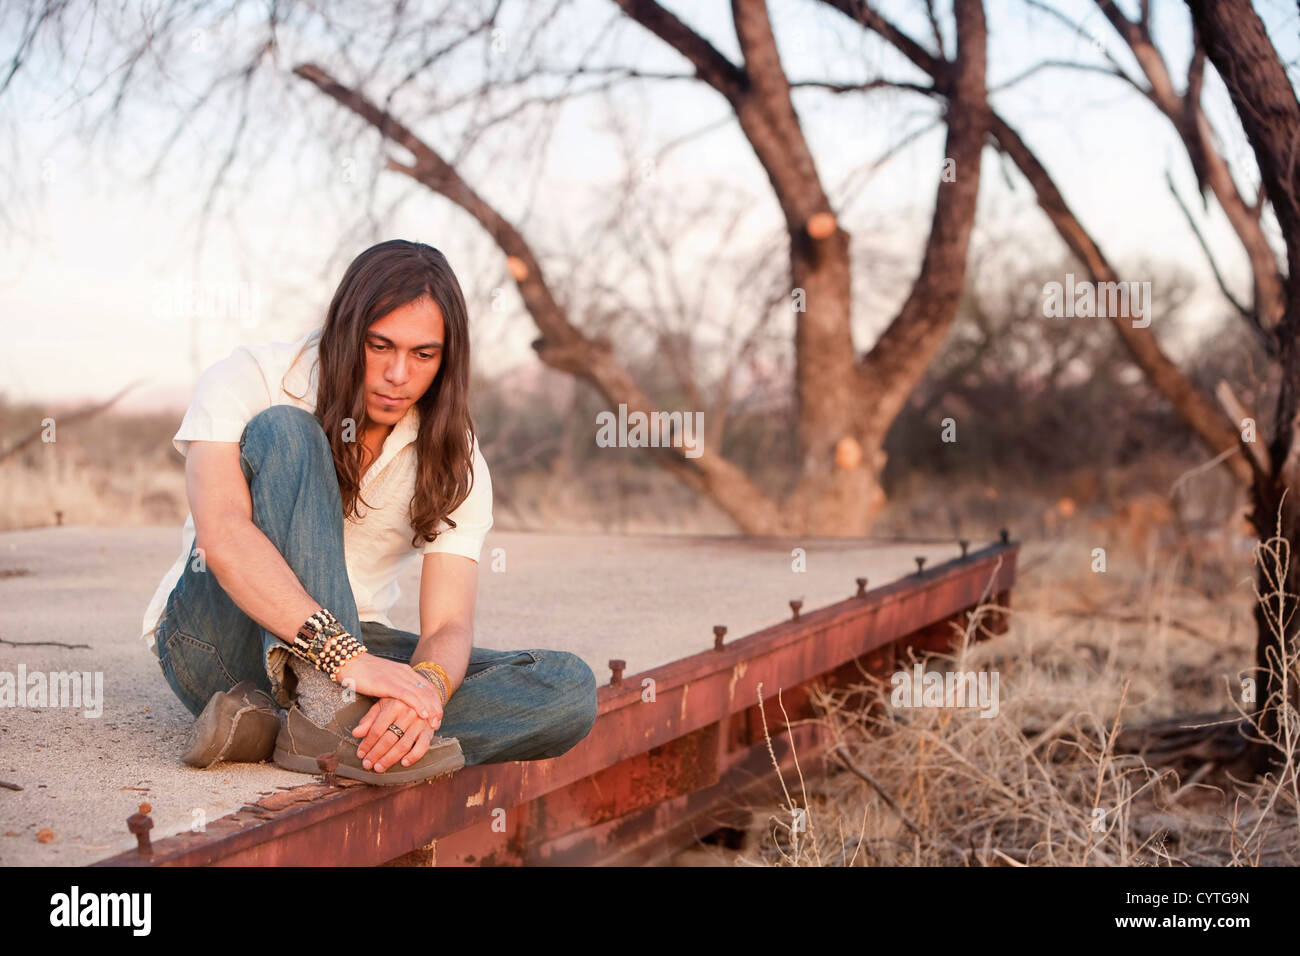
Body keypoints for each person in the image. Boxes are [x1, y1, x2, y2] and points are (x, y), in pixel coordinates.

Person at [141, 239, 598, 785]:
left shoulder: (456, 455)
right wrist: (345, 662)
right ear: (344, 330)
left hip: (364, 643)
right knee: (285, 431)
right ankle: (334, 719)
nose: (398, 374)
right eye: (379, 346)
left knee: (566, 687)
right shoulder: (251, 378)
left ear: (447, 358)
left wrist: (423, 689)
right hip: (221, 637)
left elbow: (449, 623)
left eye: (423, 355)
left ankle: (296, 730)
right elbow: (223, 537)